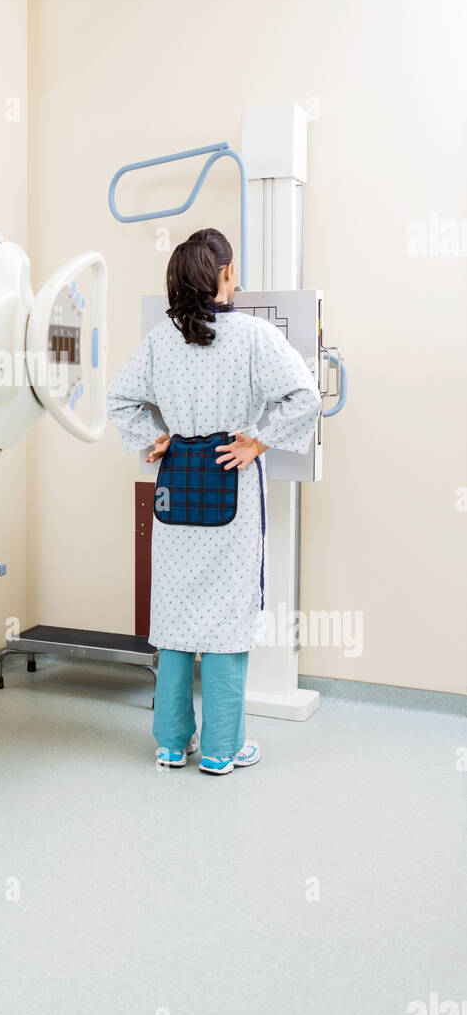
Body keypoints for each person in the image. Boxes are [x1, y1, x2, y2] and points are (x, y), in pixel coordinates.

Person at [106, 228, 321, 775]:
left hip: (178, 484)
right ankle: (224, 750)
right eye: (235, 269)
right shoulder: (254, 335)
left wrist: (154, 440)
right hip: (232, 485)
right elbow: (305, 395)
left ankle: (173, 744)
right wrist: (259, 440)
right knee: (228, 618)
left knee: (174, 614)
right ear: (224, 276)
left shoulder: (160, 339)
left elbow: (120, 398)